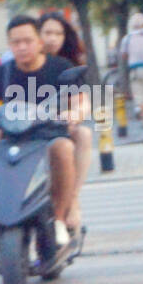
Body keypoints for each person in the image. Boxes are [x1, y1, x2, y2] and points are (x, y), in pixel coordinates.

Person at [0, 14, 80, 246]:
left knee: (64, 149)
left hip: (47, 137)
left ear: (39, 42)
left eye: (27, 41)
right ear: (9, 45)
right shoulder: (1, 73)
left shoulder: (60, 68)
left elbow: (80, 100)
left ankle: (58, 219)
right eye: (16, 42)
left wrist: (74, 113)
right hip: (10, 140)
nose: (22, 47)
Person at [38, 11, 93, 226]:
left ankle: (72, 198)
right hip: (23, 128)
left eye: (58, 34)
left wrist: (75, 115)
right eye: (47, 32)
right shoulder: (19, 63)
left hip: (59, 128)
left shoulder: (67, 66)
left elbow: (83, 102)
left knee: (84, 134)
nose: (52, 38)